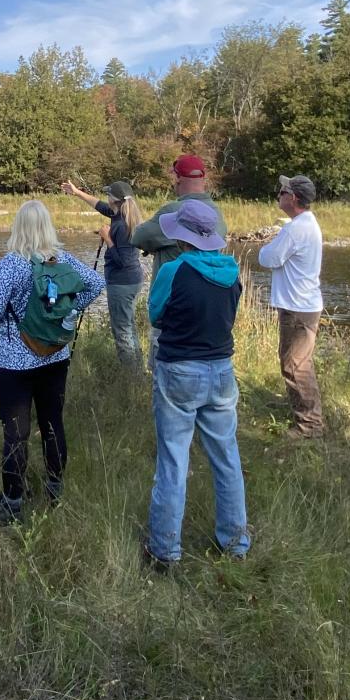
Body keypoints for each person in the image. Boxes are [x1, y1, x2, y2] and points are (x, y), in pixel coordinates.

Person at [0, 199, 103, 525]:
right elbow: (97, 283)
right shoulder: (60, 259)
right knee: (52, 424)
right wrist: (72, 310)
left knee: (15, 434)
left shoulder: (11, 264)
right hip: (55, 356)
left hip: (15, 363)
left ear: (18, 227)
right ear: (47, 226)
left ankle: (12, 502)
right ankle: (55, 489)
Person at [142, 200, 249, 568]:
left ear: (183, 238)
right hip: (221, 369)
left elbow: (155, 315)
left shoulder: (174, 270)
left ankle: (165, 550)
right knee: (227, 457)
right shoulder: (233, 271)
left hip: (179, 370)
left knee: (173, 459)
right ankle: (235, 543)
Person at [256, 174, 325, 438]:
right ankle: (303, 413)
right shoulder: (304, 224)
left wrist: (270, 245)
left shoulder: (295, 228)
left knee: (296, 365)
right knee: (297, 363)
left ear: (294, 198)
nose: (279, 195)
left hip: (298, 307)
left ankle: (310, 426)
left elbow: (268, 257)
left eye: (282, 191)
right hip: (303, 304)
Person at [60, 178, 145, 371]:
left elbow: (123, 261)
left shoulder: (122, 226)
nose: (105, 198)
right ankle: (137, 369)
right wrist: (77, 192)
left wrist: (107, 239)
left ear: (114, 200)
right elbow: (99, 205)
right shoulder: (119, 214)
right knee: (128, 327)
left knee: (122, 331)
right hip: (130, 282)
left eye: (108, 195)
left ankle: (131, 376)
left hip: (122, 284)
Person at [130, 154, 229, 273]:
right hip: (205, 288)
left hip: (171, 288)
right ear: (204, 177)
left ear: (177, 177)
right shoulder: (215, 212)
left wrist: (155, 248)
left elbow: (137, 237)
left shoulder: (172, 211)